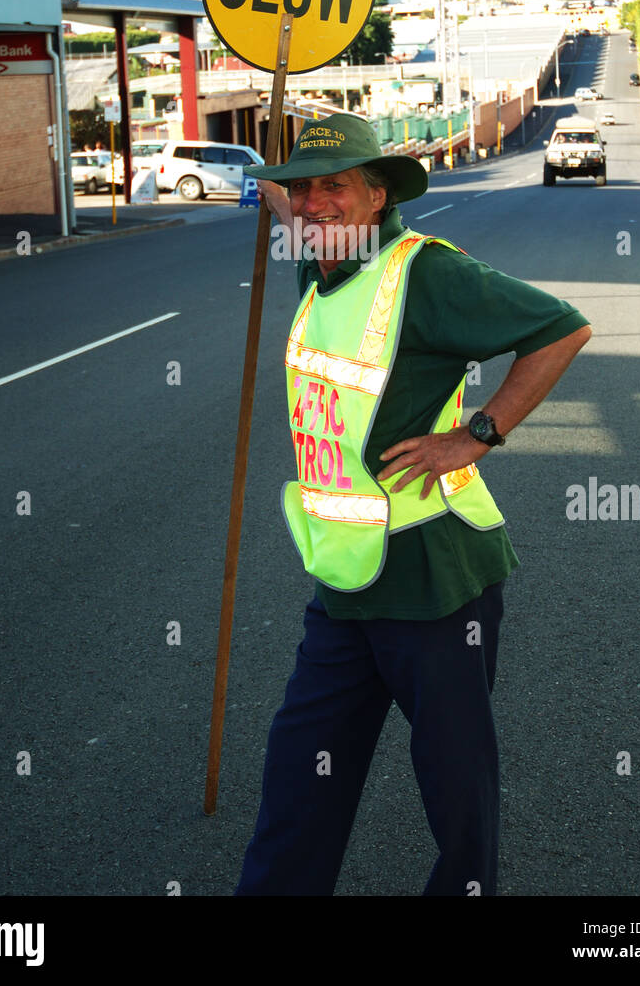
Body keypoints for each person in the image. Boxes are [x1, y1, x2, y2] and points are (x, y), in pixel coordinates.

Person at [235, 113, 591, 897]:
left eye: (336, 188)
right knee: (302, 768)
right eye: (307, 190)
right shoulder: (321, 266)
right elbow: (296, 213)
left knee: (455, 788)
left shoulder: (425, 274)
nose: (316, 204)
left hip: (434, 580)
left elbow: (561, 329)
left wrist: (478, 433)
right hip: (347, 579)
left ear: (377, 195)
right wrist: (278, 194)